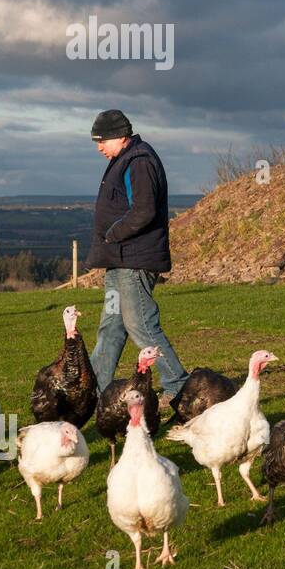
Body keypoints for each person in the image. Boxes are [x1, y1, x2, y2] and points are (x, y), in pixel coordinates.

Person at [86, 109, 188, 404]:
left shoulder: (139, 161)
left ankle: (179, 386)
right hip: (119, 261)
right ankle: (92, 392)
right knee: (111, 325)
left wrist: (113, 234)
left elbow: (143, 210)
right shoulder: (125, 159)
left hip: (134, 260)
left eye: (102, 140)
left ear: (120, 136)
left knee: (140, 324)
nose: (99, 147)